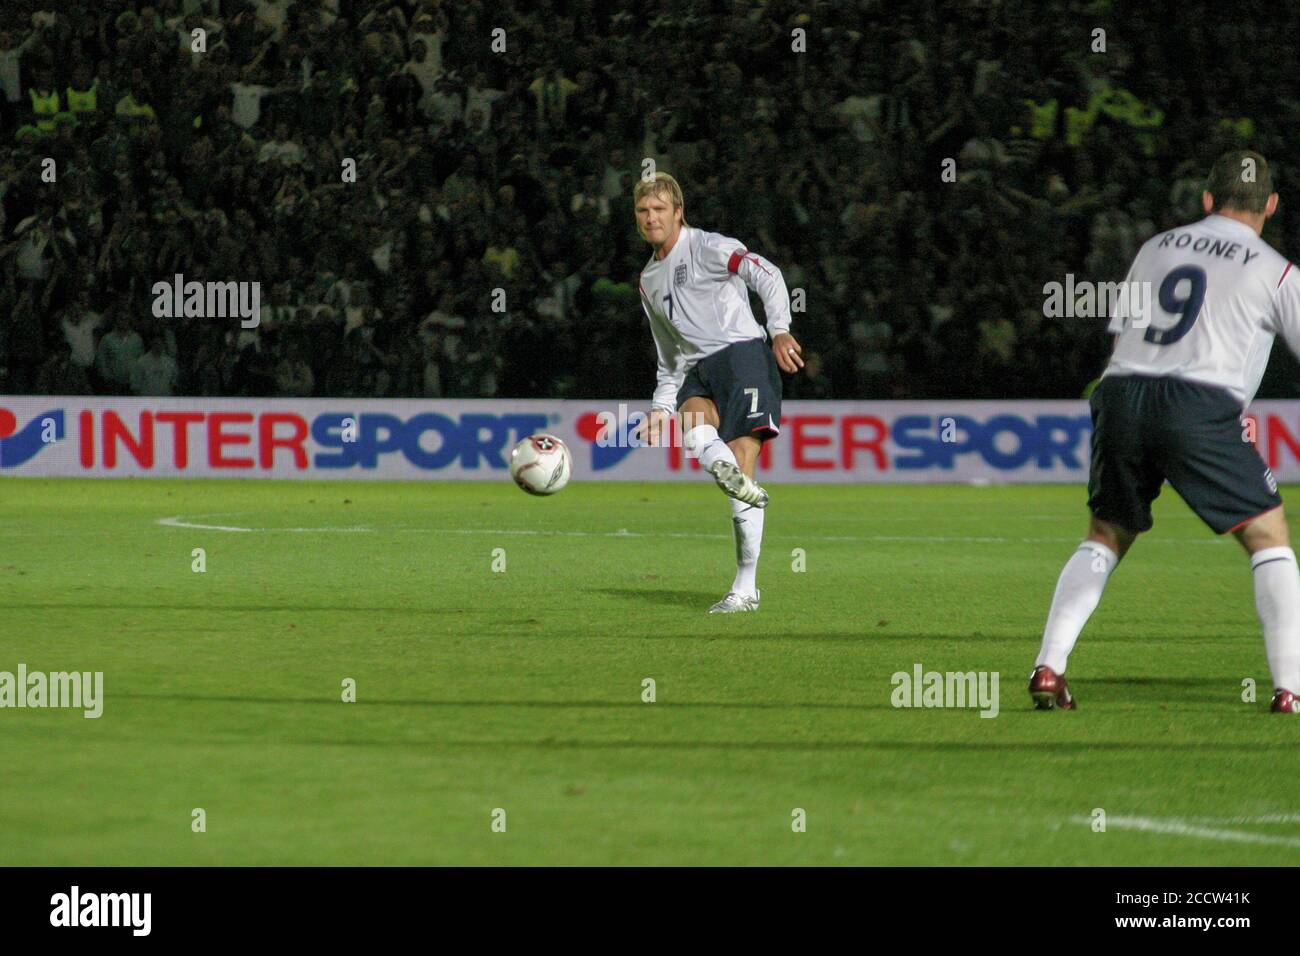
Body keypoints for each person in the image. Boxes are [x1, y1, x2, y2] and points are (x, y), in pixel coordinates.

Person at [1030, 149, 1300, 713]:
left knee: (1105, 534)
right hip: (1197, 403)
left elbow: (1122, 334)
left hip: (1123, 391)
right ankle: (1289, 690)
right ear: (1271, 205)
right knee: (1268, 537)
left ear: (1207, 200)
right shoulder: (1275, 270)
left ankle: (1049, 668)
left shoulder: (1155, 247)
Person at [632, 172, 803, 613]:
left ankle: (746, 588)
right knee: (692, 429)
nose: (651, 218)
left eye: (659, 210)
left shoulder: (708, 246)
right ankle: (737, 482)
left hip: (743, 354)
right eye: (643, 211)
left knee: (739, 470)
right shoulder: (649, 279)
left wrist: (780, 329)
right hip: (698, 369)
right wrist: (659, 407)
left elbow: (767, 273)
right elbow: (667, 351)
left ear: (678, 212)